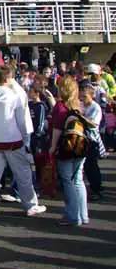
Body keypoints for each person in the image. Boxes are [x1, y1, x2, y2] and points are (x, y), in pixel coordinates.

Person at [0, 66, 45, 219]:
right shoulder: (15, 96)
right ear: (8, 78)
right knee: (23, 174)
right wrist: (26, 139)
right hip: (14, 140)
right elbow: (22, 121)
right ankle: (31, 205)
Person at [49, 77, 89, 226]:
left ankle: (73, 216)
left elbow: (57, 130)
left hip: (65, 148)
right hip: (80, 147)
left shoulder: (60, 107)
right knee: (78, 180)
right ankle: (83, 215)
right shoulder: (78, 105)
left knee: (67, 181)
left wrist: (52, 147)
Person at [80, 83, 103, 201]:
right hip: (82, 139)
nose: (83, 99)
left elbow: (93, 124)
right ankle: (88, 188)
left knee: (92, 166)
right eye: (81, 97)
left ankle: (97, 189)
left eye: (85, 97)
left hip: (92, 140)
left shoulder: (96, 107)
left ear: (91, 96)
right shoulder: (81, 105)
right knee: (84, 165)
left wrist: (81, 117)